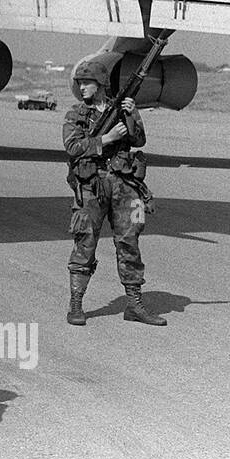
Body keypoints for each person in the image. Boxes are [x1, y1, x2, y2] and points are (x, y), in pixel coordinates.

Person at [63, 58, 164, 326]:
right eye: (80, 83)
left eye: (87, 83)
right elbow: (72, 147)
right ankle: (76, 304)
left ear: (101, 85)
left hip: (124, 185)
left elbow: (139, 140)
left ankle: (134, 305)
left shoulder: (121, 111)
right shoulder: (76, 114)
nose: (81, 87)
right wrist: (106, 139)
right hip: (91, 186)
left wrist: (131, 113)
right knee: (85, 242)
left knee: (129, 243)